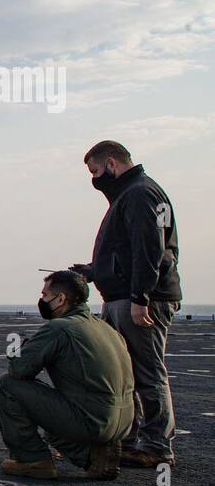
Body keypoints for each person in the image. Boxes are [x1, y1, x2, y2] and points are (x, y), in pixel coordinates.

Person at [71, 141, 182, 468]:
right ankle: (134, 440)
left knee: (147, 373)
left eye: (94, 170)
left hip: (138, 301)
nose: (94, 178)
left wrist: (140, 299)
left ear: (111, 163)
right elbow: (127, 253)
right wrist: (94, 272)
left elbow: (150, 251)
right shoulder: (132, 193)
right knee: (127, 372)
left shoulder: (138, 194)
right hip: (126, 296)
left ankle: (157, 446)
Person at [0, 271, 134, 480]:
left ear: (60, 299)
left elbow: (19, 369)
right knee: (53, 430)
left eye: (45, 295)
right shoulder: (108, 329)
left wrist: (21, 349)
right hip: (123, 423)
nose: (41, 300)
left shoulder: (59, 328)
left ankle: (32, 460)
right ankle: (95, 455)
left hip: (93, 421)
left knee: (6, 385)